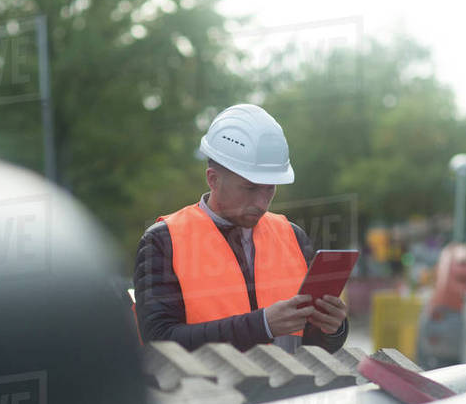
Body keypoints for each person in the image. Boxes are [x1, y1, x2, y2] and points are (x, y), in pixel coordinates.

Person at [133, 104, 349, 353]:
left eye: (270, 188)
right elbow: (160, 342)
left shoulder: (293, 236)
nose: (261, 202)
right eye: (250, 188)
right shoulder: (163, 241)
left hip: (292, 390)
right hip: (207, 391)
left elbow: (312, 343)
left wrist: (334, 328)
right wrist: (262, 325)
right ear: (213, 179)